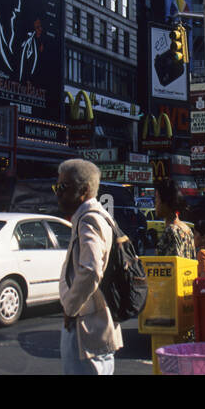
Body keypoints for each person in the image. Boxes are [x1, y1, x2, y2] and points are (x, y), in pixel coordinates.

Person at [56, 159, 121, 375]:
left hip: (87, 326)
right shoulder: (101, 216)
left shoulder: (88, 220)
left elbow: (91, 269)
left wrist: (71, 307)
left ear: (83, 190)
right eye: (57, 187)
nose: (58, 193)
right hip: (97, 324)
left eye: (64, 187)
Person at [153, 179, 196, 259]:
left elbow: (170, 266)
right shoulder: (187, 229)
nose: (155, 203)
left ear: (166, 203)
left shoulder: (171, 231)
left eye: (157, 198)